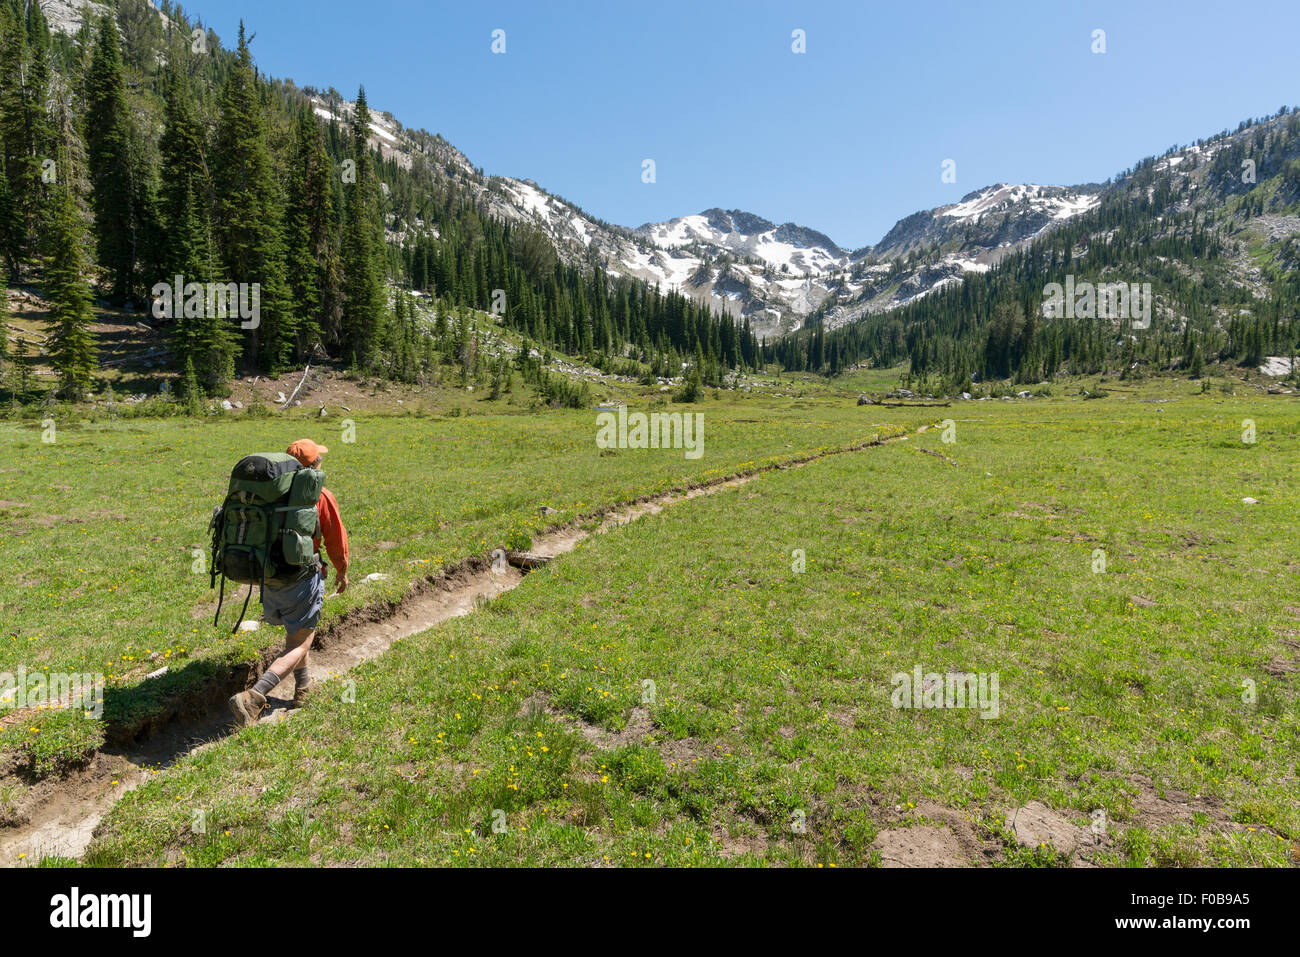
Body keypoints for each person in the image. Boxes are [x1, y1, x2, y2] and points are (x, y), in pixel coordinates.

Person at [228, 439, 349, 726]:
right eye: (320, 458)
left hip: (269, 576)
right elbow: (336, 540)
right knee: (302, 642)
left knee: (295, 635)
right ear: (314, 466)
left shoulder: (272, 497)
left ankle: (302, 691)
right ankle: (254, 697)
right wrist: (342, 570)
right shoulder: (319, 497)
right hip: (302, 578)